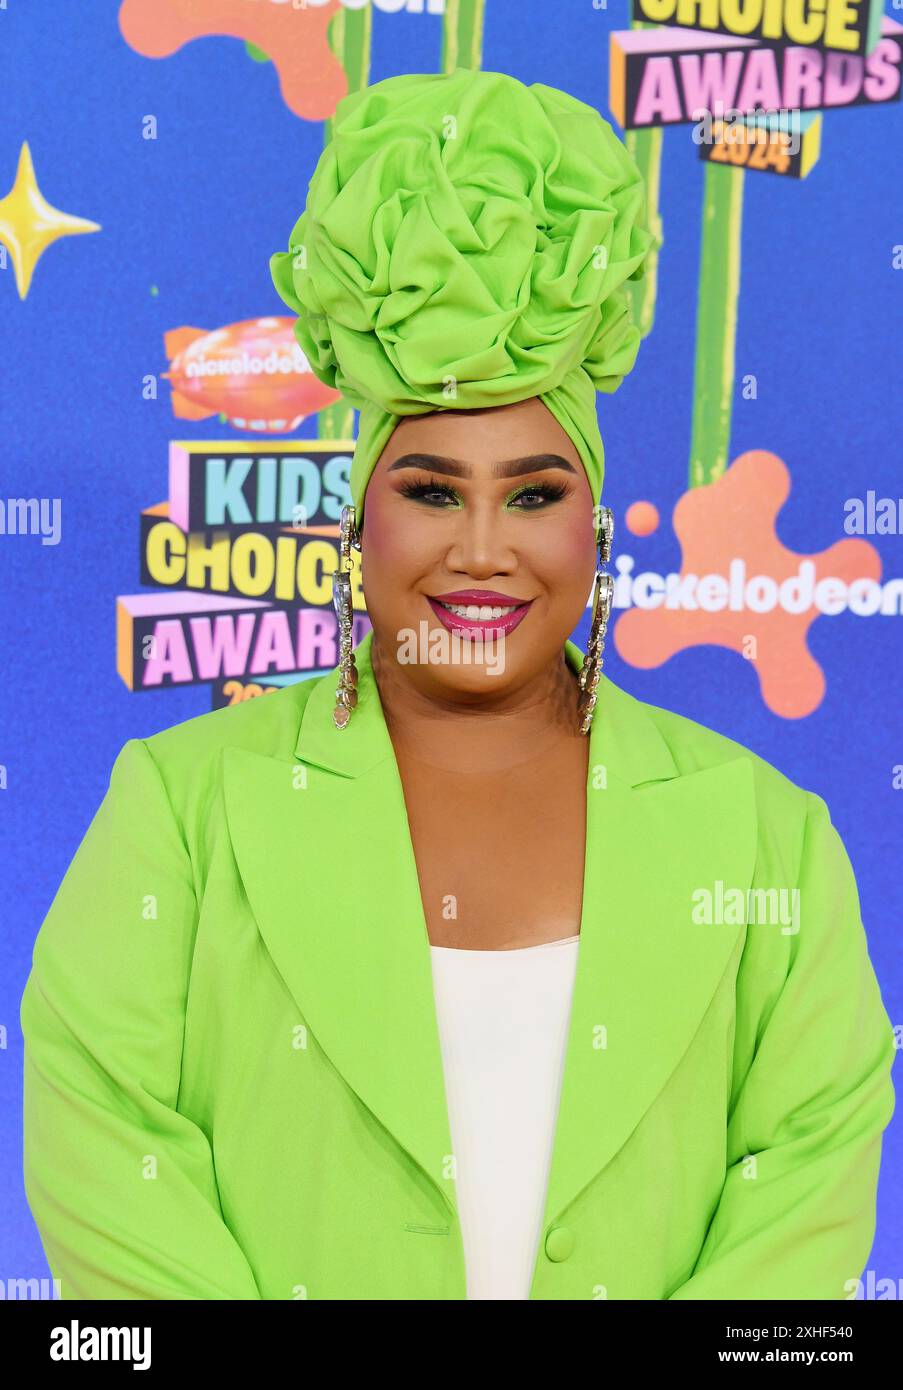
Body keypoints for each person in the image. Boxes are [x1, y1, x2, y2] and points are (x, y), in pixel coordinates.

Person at [21, 68, 895, 1302]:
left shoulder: (771, 843)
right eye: (432, 489)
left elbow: (801, 1215)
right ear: (357, 516)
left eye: (535, 494)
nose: (482, 547)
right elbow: (109, 1164)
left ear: (596, 528)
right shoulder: (179, 813)